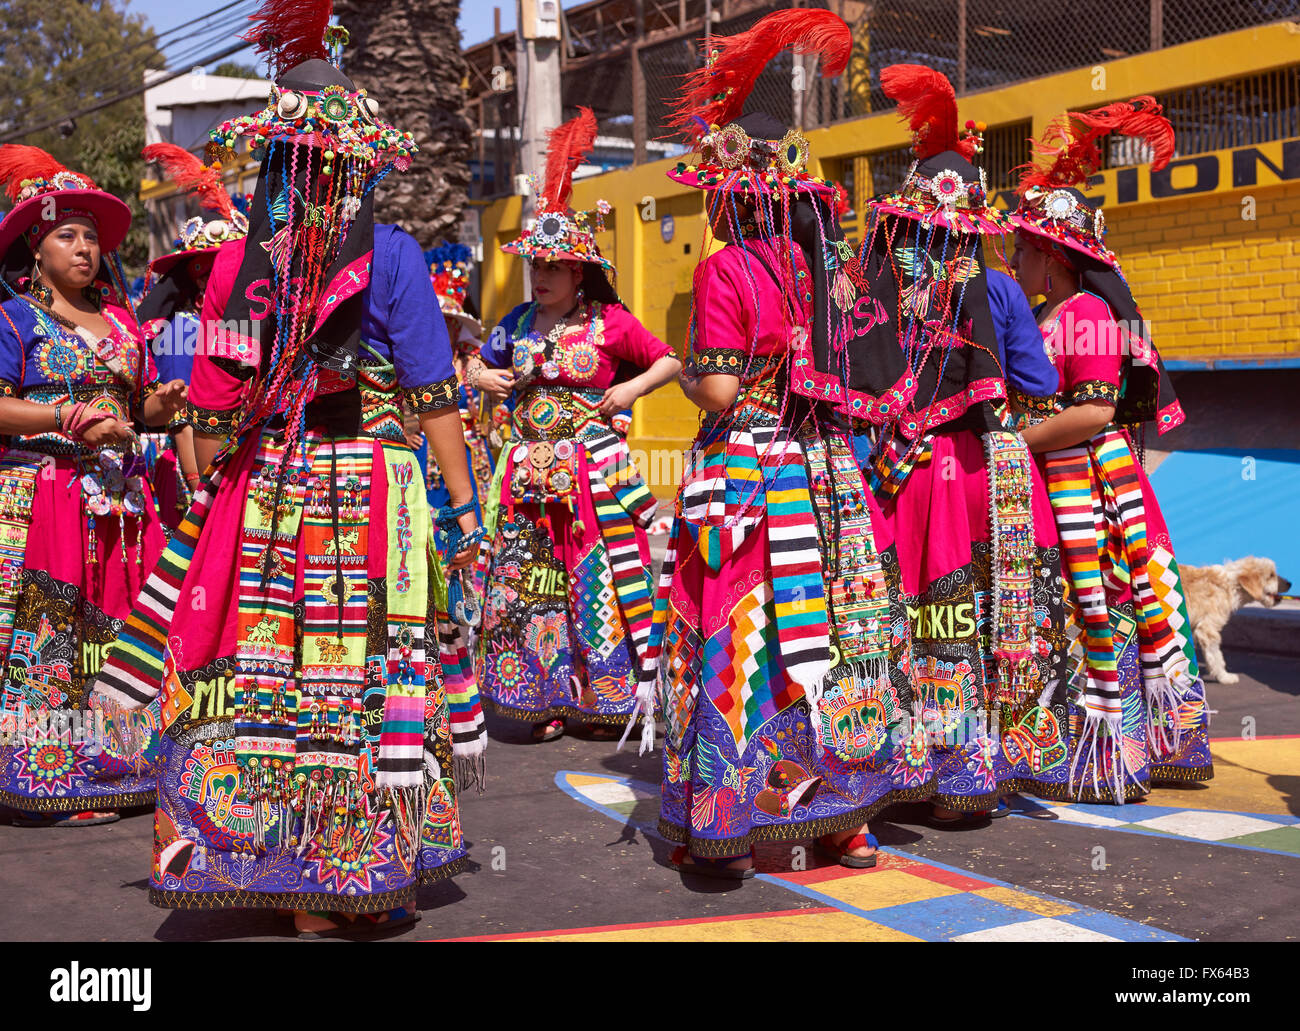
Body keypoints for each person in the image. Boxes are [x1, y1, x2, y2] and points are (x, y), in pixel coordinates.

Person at [91, 6, 485, 937]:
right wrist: (467, 516)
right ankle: (349, 871)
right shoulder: (393, 257)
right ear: (360, 166)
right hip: (374, 498)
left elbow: (207, 407)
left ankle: (273, 861)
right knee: (354, 681)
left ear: (276, 167)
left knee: (268, 677)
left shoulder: (235, 269)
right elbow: (434, 399)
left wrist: (210, 496)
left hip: (270, 492)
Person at [631, 11, 929, 878]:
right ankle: (842, 820)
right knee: (831, 633)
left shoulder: (724, 267)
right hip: (828, 473)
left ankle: (728, 820)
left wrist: (687, 373)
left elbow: (721, 387)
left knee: (737, 633)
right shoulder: (817, 266)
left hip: (750, 477)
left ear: (725, 194)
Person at [854, 65, 1074, 825]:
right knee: (997, 617)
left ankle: (925, 768)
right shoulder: (1003, 285)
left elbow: (852, 370)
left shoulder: (876, 275)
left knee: (919, 615)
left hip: (910, 470)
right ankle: (984, 773)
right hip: (994, 469)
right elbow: (1037, 380)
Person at [1008, 97, 1212, 800]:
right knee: (1087, 611)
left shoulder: (1087, 313)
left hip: (1093, 490)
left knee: (1105, 603)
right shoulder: (1051, 313)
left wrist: (1015, 441)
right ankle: (1109, 751)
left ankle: (1115, 755)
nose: (1012, 256)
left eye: (1022, 246)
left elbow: (1093, 410)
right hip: (1071, 483)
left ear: (1052, 256)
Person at [471, 107, 681, 744]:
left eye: (553, 268)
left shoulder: (612, 324)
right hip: (526, 476)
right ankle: (536, 695)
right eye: (535, 267)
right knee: (528, 578)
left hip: (594, 474)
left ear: (580, 271)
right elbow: (474, 363)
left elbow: (672, 360)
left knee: (598, 576)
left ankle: (605, 695)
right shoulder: (512, 322)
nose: (540, 277)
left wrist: (630, 387)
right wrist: (481, 377)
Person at [0, 145, 187, 824]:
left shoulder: (122, 326)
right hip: (47, 498)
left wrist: (158, 408)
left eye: (90, 238)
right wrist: (67, 415)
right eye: (65, 235)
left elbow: (131, 414)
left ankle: (122, 764)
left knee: (123, 627)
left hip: (124, 505)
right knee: (56, 624)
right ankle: (50, 775)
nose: (83, 249)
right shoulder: (16, 320)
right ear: (34, 247)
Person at [136, 142, 250, 530]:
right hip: (200, 475)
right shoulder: (184, 328)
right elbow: (183, 419)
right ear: (202, 279)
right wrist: (202, 490)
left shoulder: (237, 324)